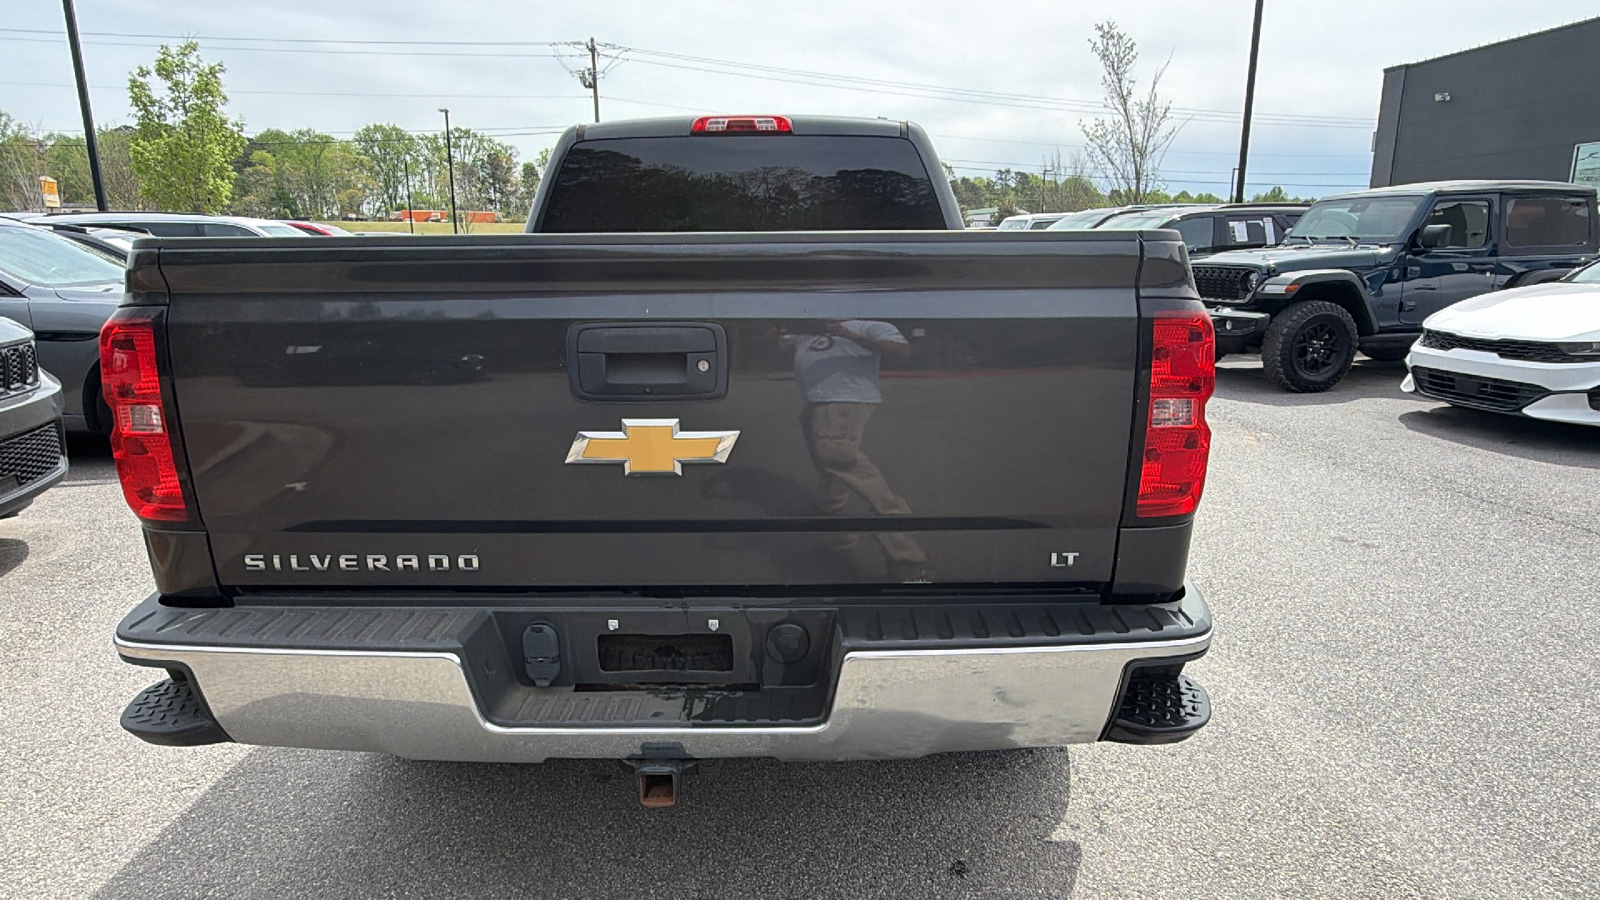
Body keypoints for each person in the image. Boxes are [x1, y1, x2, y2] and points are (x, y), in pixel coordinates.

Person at [778, 319, 928, 581]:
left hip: (845, 398)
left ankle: (905, 552)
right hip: (815, 401)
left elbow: (902, 351)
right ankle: (839, 543)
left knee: (837, 457)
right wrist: (776, 334)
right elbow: (785, 348)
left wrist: (853, 337)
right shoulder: (812, 328)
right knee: (831, 473)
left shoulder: (869, 324)